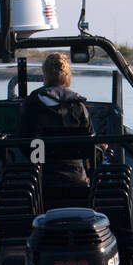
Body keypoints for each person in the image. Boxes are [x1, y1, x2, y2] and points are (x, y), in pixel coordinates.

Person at [24, 51, 97, 198]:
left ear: (45, 74)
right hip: (78, 181)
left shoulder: (33, 103)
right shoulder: (78, 106)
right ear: (67, 75)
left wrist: (38, 160)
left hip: (42, 181)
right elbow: (89, 145)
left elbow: (24, 140)